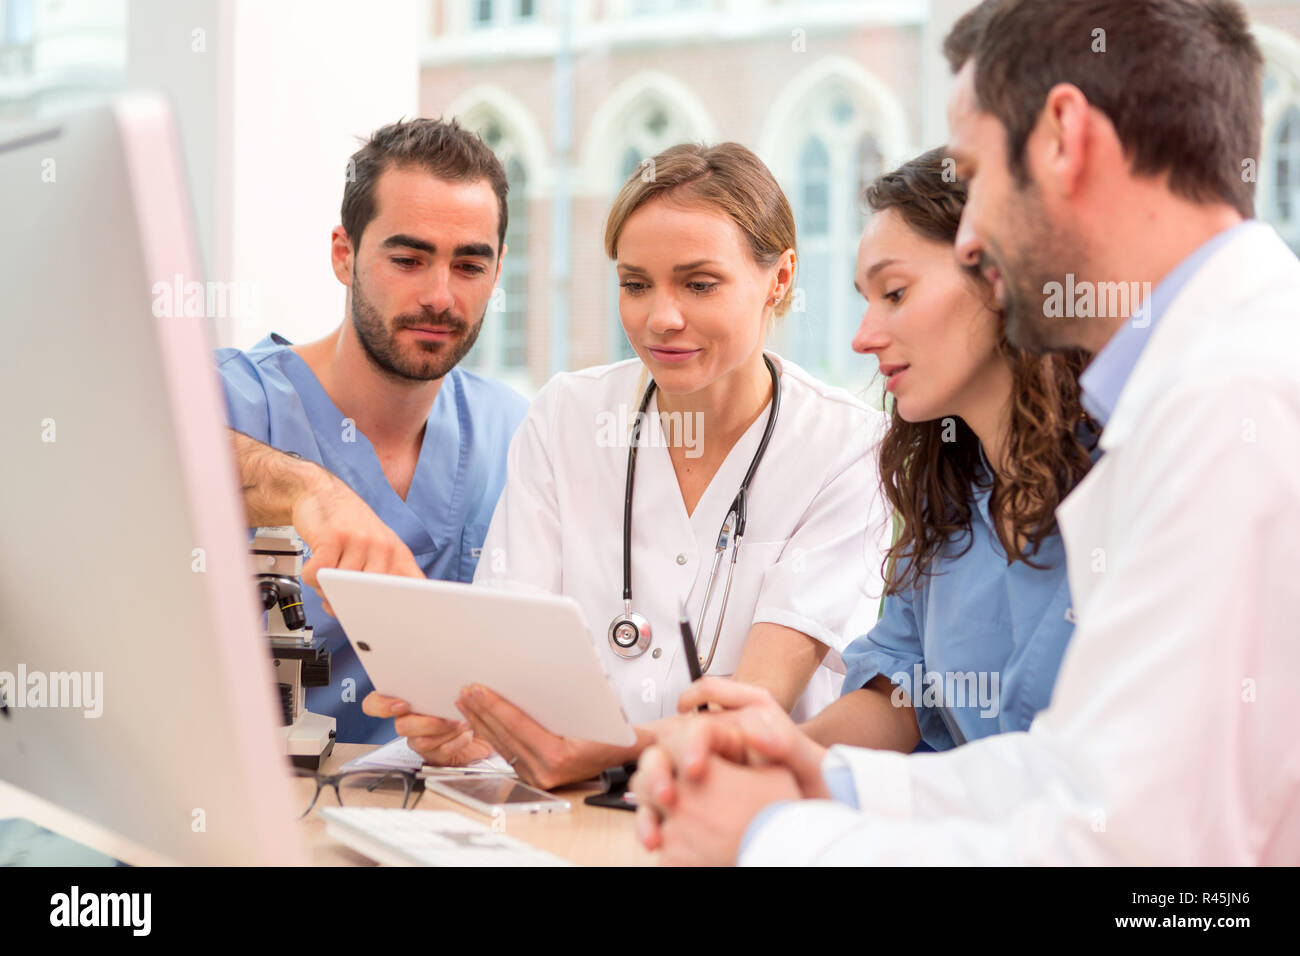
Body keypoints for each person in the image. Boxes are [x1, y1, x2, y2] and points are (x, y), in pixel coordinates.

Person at [632, 0, 1300, 865]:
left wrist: (771, 837)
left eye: (977, 173)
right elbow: (1078, 773)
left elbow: (1143, 866)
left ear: (1065, 136)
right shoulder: (1202, 383)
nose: (975, 234)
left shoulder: (1235, 403)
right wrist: (827, 778)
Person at [365, 142, 891, 785]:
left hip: (730, 813)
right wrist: (472, 721)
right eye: (635, 285)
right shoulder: (567, 416)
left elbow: (758, 705)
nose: (660, 318)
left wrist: (609, 748)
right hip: (563, 808)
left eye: (699, 284)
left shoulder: (846, 446)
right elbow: (507, 648)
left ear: (779, 278)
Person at [217, 118, 528, 744]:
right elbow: (149, 449)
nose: (440, 297)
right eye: (408, 260)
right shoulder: (238, 398)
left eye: (469, 265)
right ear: (344, 254)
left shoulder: (515, 433)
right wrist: (311, 491)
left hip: (422, 815)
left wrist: (484, 732)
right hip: (219, 820)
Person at [793, 148, 1097, 757]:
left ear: (999, 278)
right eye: (866, 300)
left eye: (896, 293)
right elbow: (900, 697)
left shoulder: (1127, 475)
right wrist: (779, 754)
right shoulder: (947, 491)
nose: (862, 337)